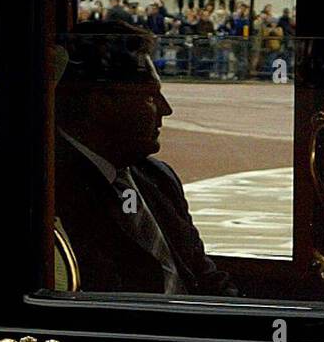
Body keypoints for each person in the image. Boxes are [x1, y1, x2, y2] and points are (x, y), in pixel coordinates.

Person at [54, 21, 237, 295]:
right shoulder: (53, 189)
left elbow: (206, 277)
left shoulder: (159, 177)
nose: (166, 109)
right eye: (150, 96)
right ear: (100, 103)